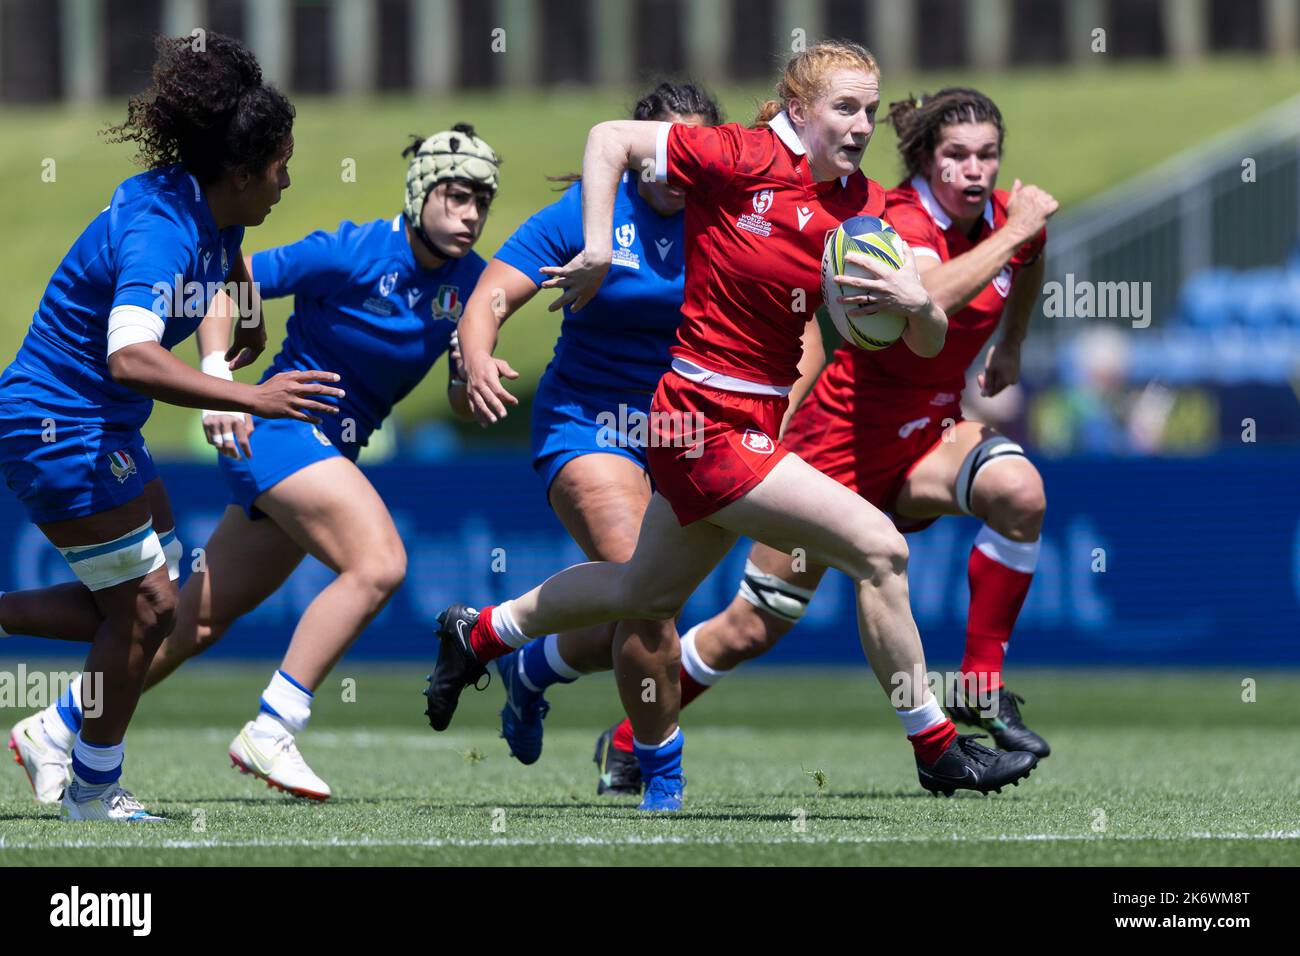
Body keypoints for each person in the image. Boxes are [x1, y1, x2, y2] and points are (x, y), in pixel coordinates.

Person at [425, 41, 1037, 811]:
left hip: (750, 423)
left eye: (870, 112)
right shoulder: (735, 156)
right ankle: (937, 749)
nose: (859, 125)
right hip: (698, 422)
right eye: (843, 108)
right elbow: (607, 140)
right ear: (798, 108)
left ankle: (480, 632)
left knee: (639, 594)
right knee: (879, 549)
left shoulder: (865, 208)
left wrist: (918, 305)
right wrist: (591, 245)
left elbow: (923, 341)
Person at [590, 87, 1061, 794]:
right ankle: (628, 738)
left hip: (927, 437)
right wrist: (1016, 234)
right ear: (926, 162)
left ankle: (979, 688)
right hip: (836, 443)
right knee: (749, 628)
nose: (975, 171)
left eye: (988, 156)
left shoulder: (1007, 224)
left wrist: (1014, 344)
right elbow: (930, 294)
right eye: (957, 155)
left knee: (1019, 490)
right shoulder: (894, 217)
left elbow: (1027, 264)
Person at [13, 124, 498, 802]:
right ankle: (275, 726)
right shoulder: (354, 251)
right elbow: (225, 279)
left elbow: (462, 397)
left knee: (186, 620)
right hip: (280, 433)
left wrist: (470, 375)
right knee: (381, 563)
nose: (470, 214)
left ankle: (56, 727)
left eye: (482, 200)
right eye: (455, 195)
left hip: (323, 454)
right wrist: (221, 370)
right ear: (420, 195)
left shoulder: (473, 285)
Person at [1, 34, 342, 821]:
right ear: (240, 172)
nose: (287, 182)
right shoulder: (166, 229)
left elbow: (225, 271)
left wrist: (229, 342)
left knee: (151, 598)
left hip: (99, 425)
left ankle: (59, 742)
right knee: (150, 608)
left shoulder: (206, 208)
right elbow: (130, 355)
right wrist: (248, 397)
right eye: (280, 167)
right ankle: (92, 788)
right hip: (58, 422)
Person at [455, 83, 734, 769]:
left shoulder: (735, 221)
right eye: (660, 148)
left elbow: (799, 316)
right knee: (643, 593)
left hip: (690, 432)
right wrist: (479, 357)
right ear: (634, 152)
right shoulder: (587, 215)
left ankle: (529, 669)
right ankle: (654, 771)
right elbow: (490, 295)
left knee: (640, 599)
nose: (674, 165)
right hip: (588, 422)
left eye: (690, 149)